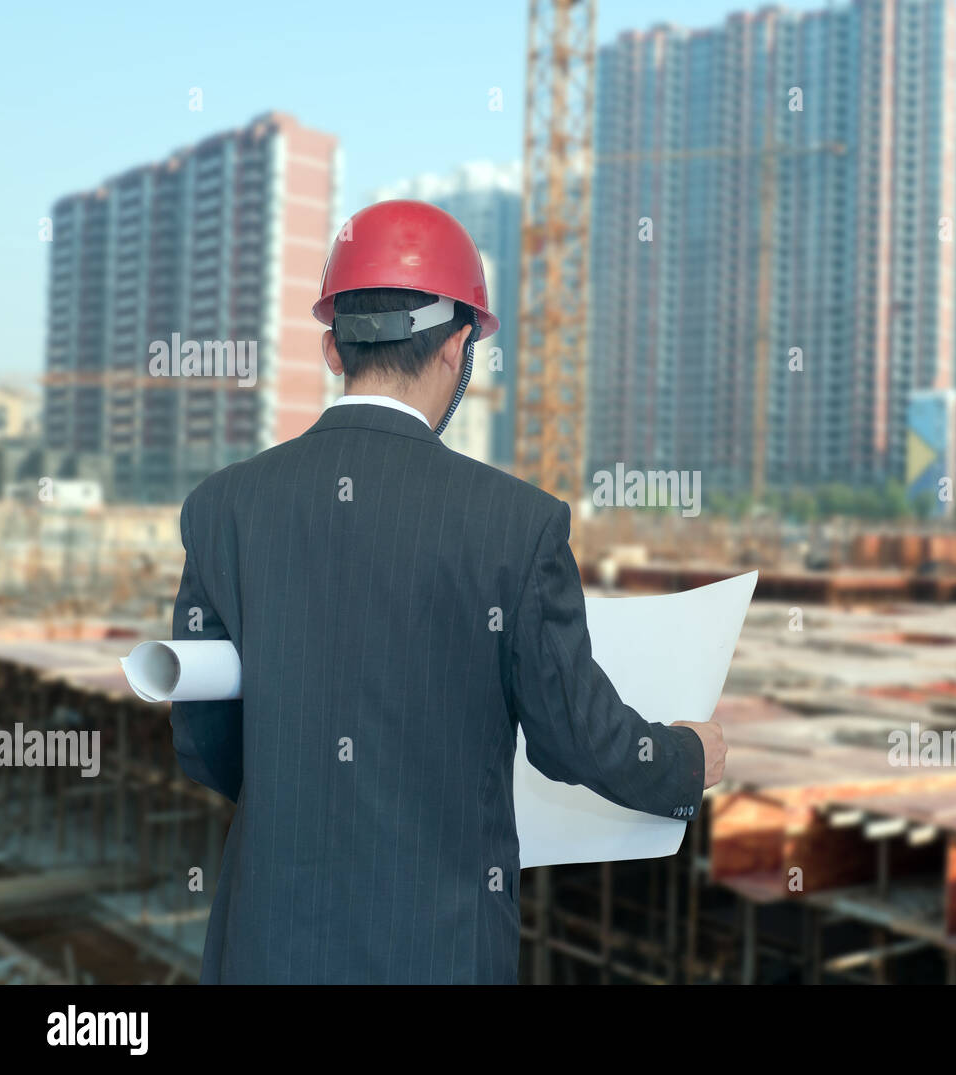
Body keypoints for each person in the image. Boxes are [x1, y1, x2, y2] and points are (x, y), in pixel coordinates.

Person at [167, 200, 727, 983]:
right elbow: (577, 739)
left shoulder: (223, 506)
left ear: (334, 347)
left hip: (268, 945)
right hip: (436, 952)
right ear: (459, 346)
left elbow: (202, 740)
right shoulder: (516, 524)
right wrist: (683, 756)